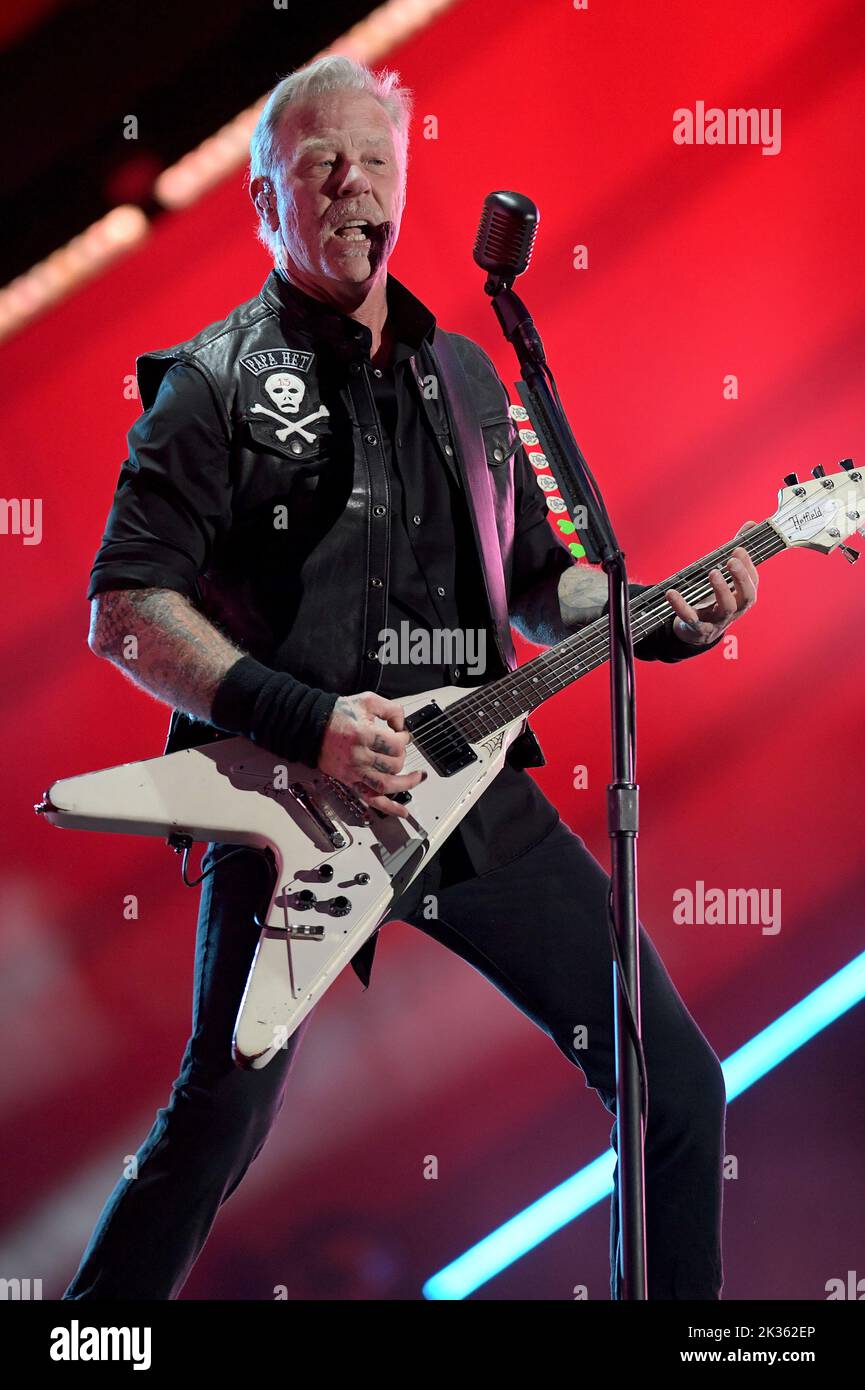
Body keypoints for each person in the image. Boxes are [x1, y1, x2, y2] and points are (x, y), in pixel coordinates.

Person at [63, 55, 758, 1301]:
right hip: (290, 807)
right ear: (267, 205)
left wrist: (664, 616)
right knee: (213, 1132)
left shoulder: (471, 376)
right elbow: (125, 609)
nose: (351, 186)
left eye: (373, 161)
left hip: (476, 790)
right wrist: (311, 721)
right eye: (317, 167)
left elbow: (544, 585)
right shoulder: (212, 387)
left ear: (405, 181)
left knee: (675, 1085)